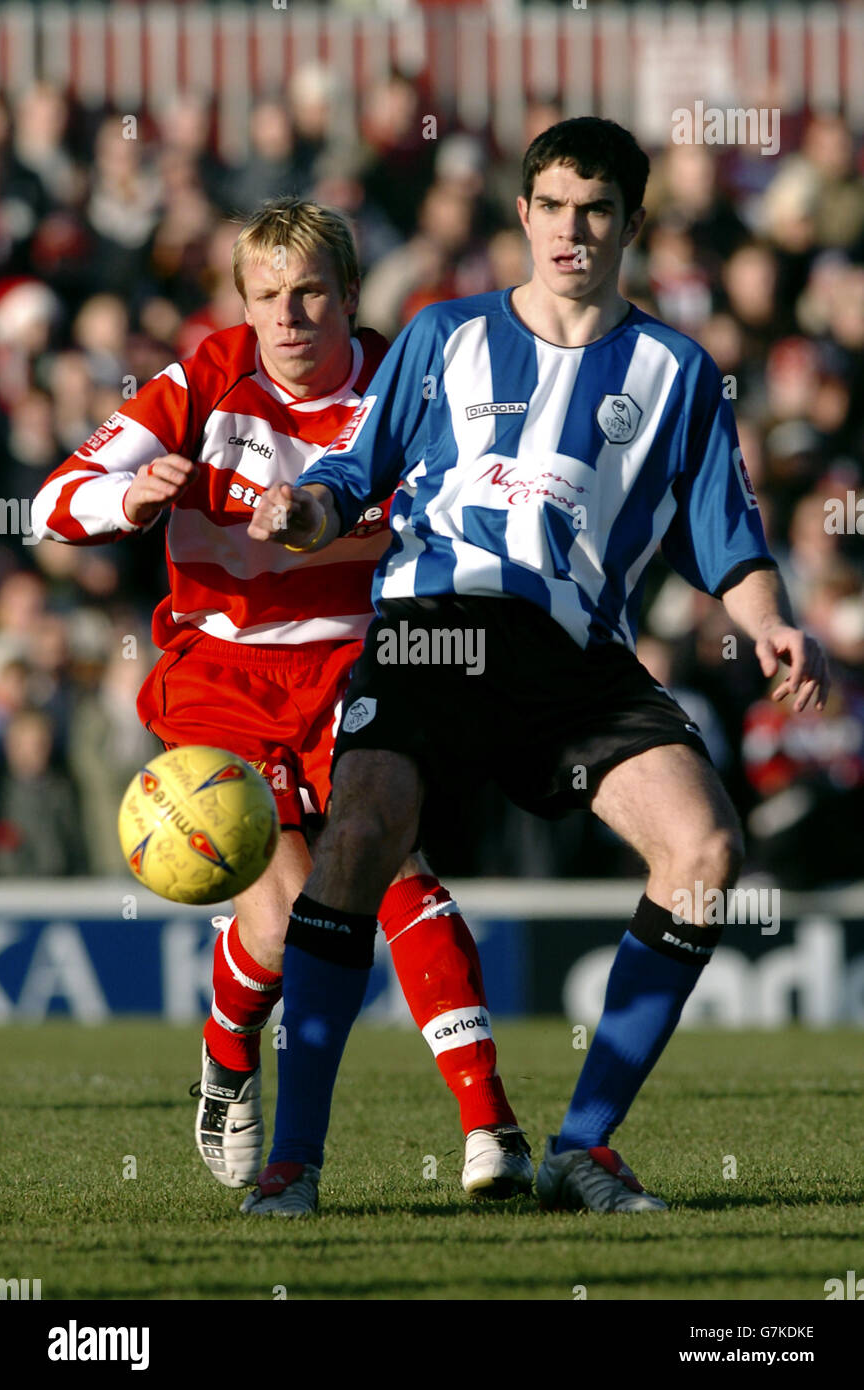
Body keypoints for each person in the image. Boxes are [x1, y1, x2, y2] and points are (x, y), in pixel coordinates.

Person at [250, 120, 830, 1213]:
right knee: (360, 829)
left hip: (574, 658)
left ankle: (582, 1144)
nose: (572, 230)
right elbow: (351, 474)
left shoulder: (675, 371)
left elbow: (731, 539)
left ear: (629, 224)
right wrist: (304, 510)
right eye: (553, 206)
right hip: (435, 623)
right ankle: (294, 1161)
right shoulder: (442, 335)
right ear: (522, 214)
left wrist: (770, 622)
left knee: (702, 844)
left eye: (596, 210)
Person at [31, 197, 531, 1216]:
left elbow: (479, 515)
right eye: (267, 296)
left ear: (349, 294)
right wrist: (127, 499)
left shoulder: (409, 384)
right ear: (243, 303)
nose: (289, 316)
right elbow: (49, 500)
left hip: (353, 668)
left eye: (310, 293)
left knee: (390, 865)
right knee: (282, 916)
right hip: (221, 674)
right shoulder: (205, 380)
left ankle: (490, 1131)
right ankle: (226, 1058)